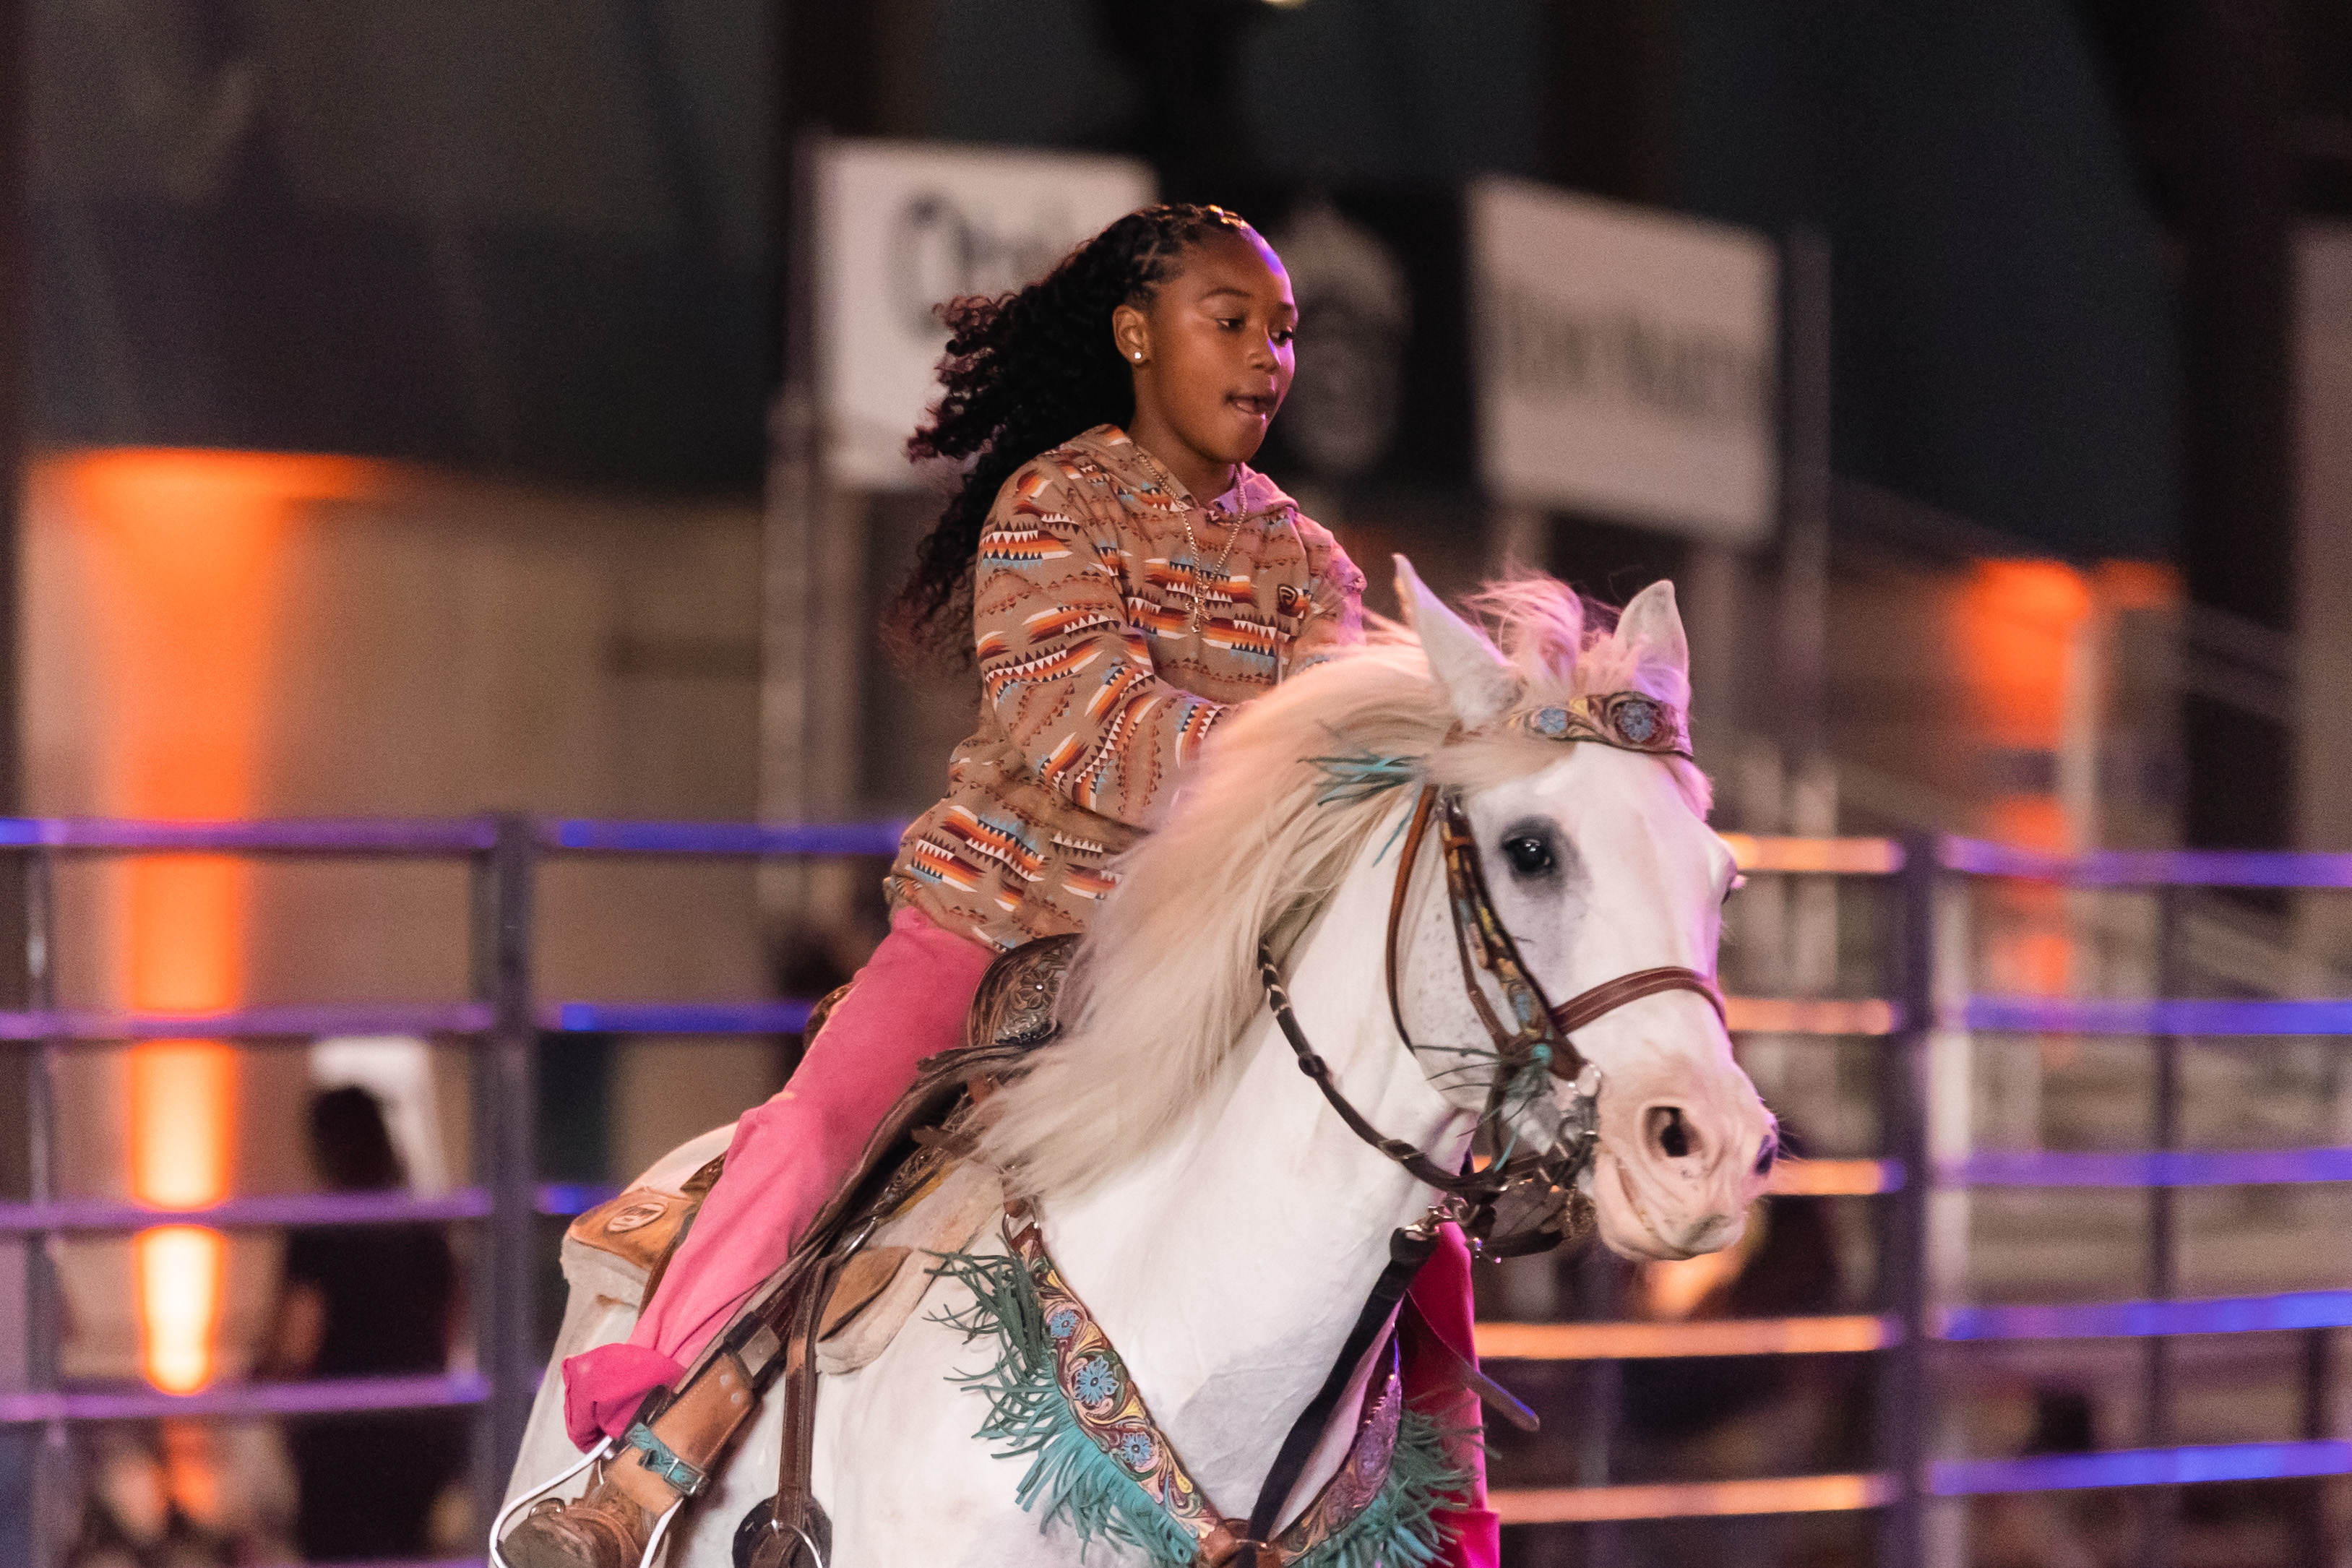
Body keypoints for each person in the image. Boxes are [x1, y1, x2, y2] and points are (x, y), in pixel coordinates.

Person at [504, 203, 1498, 1568]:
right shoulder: (1053, 505)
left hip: (1201, 971)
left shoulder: (1305, 563)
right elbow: (1089, 729)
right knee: (820, 1133)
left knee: (1407, 1221)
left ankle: (1454, 1533)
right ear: (1137, 334)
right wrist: (1296, 763)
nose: (1268, 357)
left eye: (1283, 332)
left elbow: (1334, 795)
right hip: (995, 930)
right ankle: (640, 1457)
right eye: (1233, 323)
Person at [263, 1085, 465, 1561]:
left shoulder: (321, 1230)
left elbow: (296, 1342)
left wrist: (264, 1386)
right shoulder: (422, 1226)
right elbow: (448, 1320)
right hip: (422, 1430)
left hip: (342, 1433)